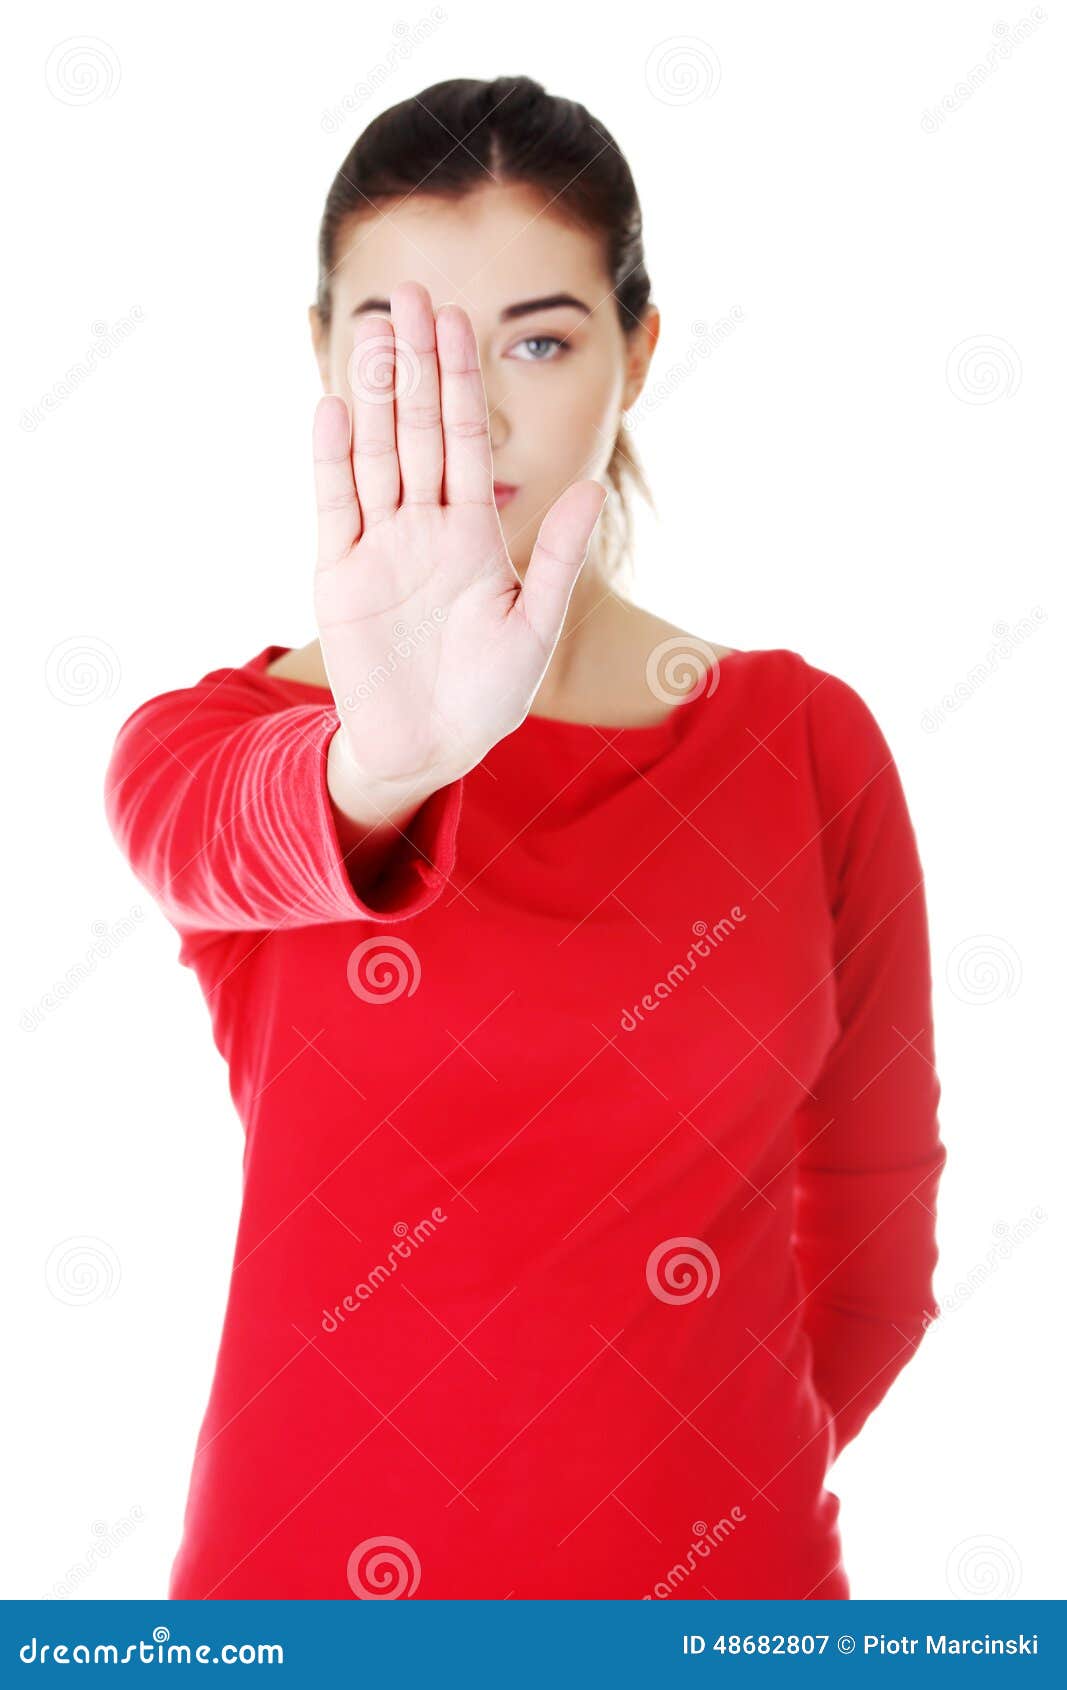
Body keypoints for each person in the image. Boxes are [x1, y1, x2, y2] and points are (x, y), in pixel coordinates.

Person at [103, 75, 946, 1601]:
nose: (468, 405)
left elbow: (875, 1241)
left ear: (637, 352)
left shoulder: (808, 747)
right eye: (402, 343)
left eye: (539, 339)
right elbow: (205, 842)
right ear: (320, 357)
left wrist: (691, 1502)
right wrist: (390, 759)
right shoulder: (226, 747)